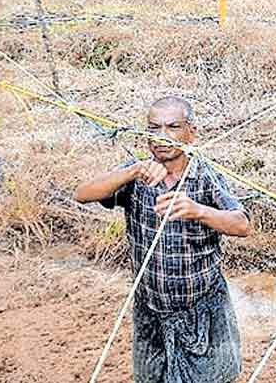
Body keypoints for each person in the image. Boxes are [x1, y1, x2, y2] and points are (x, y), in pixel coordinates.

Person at [74, 96, 250, 383]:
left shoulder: (204, 176)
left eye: (173, 127)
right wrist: (130, 172)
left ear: (190, 134)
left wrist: (198, 210)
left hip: (200, 307)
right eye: (153, 128)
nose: (161, 137)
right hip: (150, 307)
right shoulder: (135, 174)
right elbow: (82, 194)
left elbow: (242, 224)